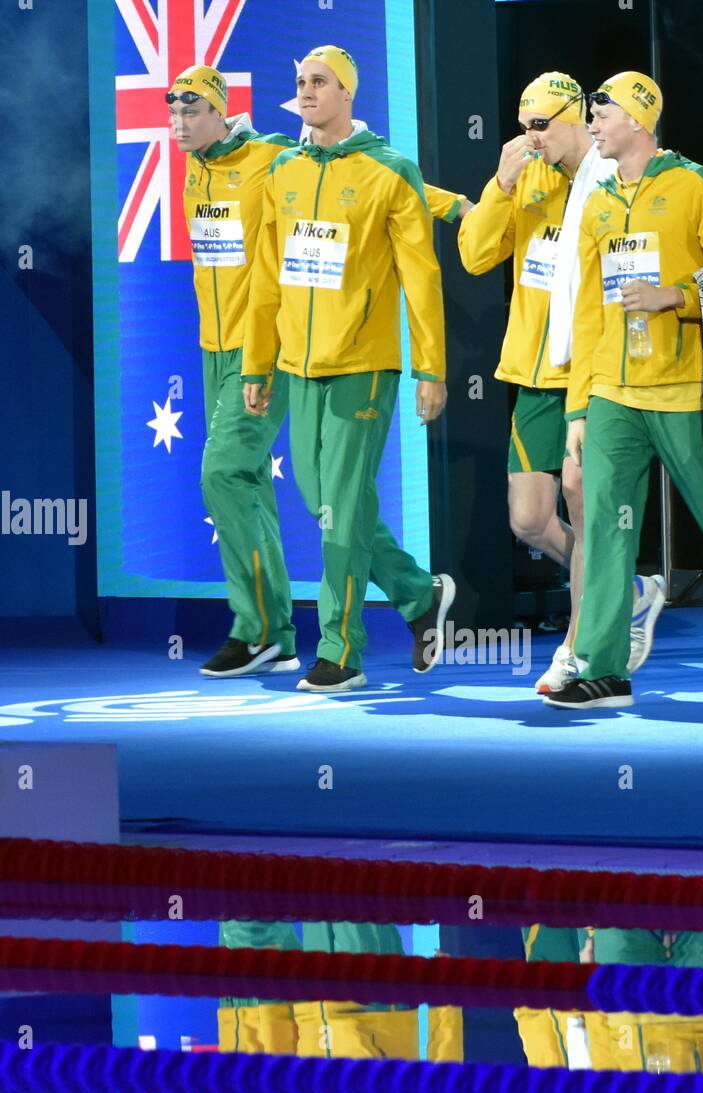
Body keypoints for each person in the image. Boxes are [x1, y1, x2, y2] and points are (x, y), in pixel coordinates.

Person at [547, 72, 703, 709]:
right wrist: (578, 406)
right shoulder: (599, 200)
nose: (593, 126)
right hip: (611, 389)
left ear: (638, 119)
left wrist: (676, 297)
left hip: (685, 389)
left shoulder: (695, 185)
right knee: (605, 529)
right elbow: (585, 310)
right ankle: (605, 669)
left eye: (601, 114)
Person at [242, 45, 455, 693]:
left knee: (339, 504)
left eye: (319, 82)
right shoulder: (282, 170)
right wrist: (257, 364)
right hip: (296, 368)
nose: (306, 91)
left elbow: (421, 280)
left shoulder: (391, 172)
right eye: (300, 81)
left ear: (348, 93)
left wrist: (431, 368)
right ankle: (421, 599)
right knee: (326, 500)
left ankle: (341, 648)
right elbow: (265, 278)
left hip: (364, 366)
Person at [458, 72, 666, 695]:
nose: (531, 136)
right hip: (533, 372)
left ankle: (578, 645)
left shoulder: (610, 181)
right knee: (528, 520)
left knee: (583, 500)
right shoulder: (525, 181)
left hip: (592, 373)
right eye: (523, 126)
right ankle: (625, 591)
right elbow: (473, 255)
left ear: (578, 117)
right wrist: (500, 184)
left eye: (542, 125)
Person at [169, 64, 301, 678]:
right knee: (246, 480)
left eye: (191, 113)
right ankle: (278, 634)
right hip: (211, 349)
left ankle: (253, 631)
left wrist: (455, 206)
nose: (178, 125)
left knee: (222, 472)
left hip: (261, 348)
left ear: (222, 112)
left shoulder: (271, 155)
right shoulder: (196, 165)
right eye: (173, 114)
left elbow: (350, 169)